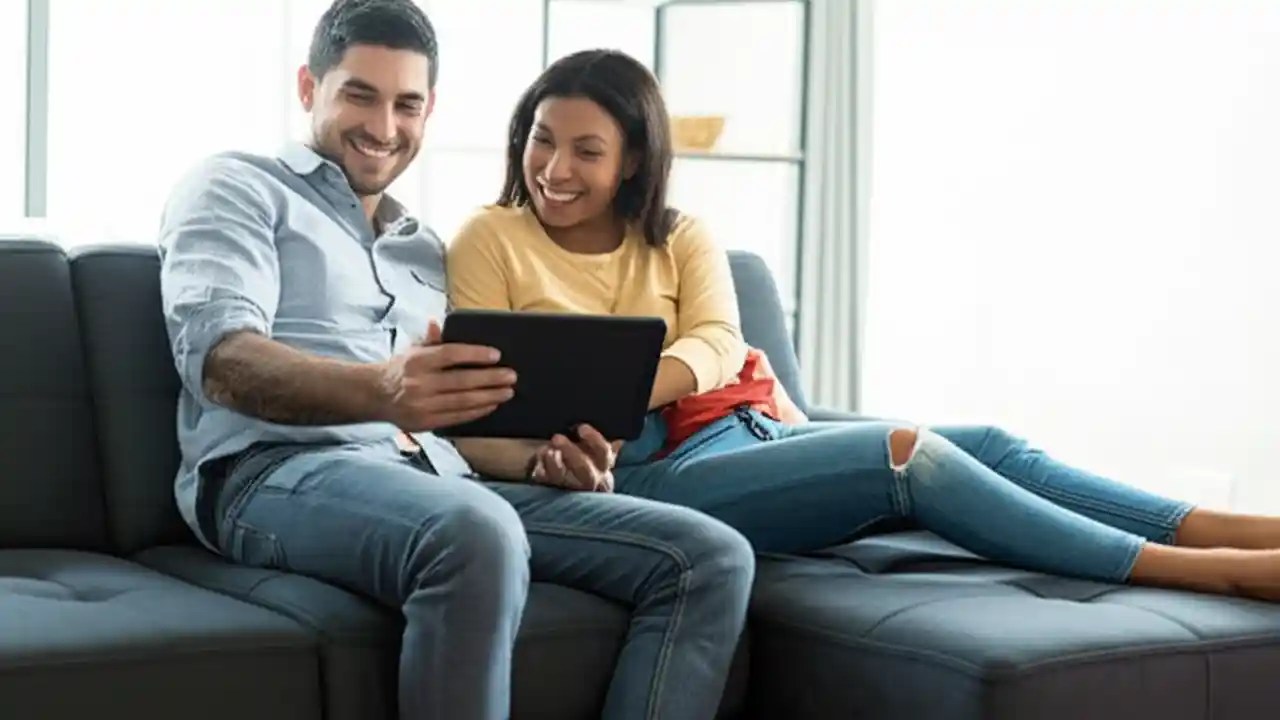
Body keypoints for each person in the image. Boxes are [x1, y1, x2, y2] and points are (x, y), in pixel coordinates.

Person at [445, 47, 1280, 603]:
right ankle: (1207, 574)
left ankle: (1237, 530)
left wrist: (617, 388)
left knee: (986, 440)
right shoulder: (492, 237)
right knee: (905, 456)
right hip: (651, 479)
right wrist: (577, 440)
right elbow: (476, 407)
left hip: (753, 435)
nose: (554, 169)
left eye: (586, 150)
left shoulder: (679, 236)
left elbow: (716, 345)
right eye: (541, 141)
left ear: (632, 159)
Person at [157, 4, 755, 720]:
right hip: (272, 473)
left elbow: (459, 420)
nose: (384, 127)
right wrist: (381, 390)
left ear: (429, 110)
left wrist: (543, 463)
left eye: (406, 104)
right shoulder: (237, 188)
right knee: (475, 531)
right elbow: (221, 359)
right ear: (308, 86)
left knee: (712, 558)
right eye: (359, 95)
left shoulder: (422, 247)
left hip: (437, 479)